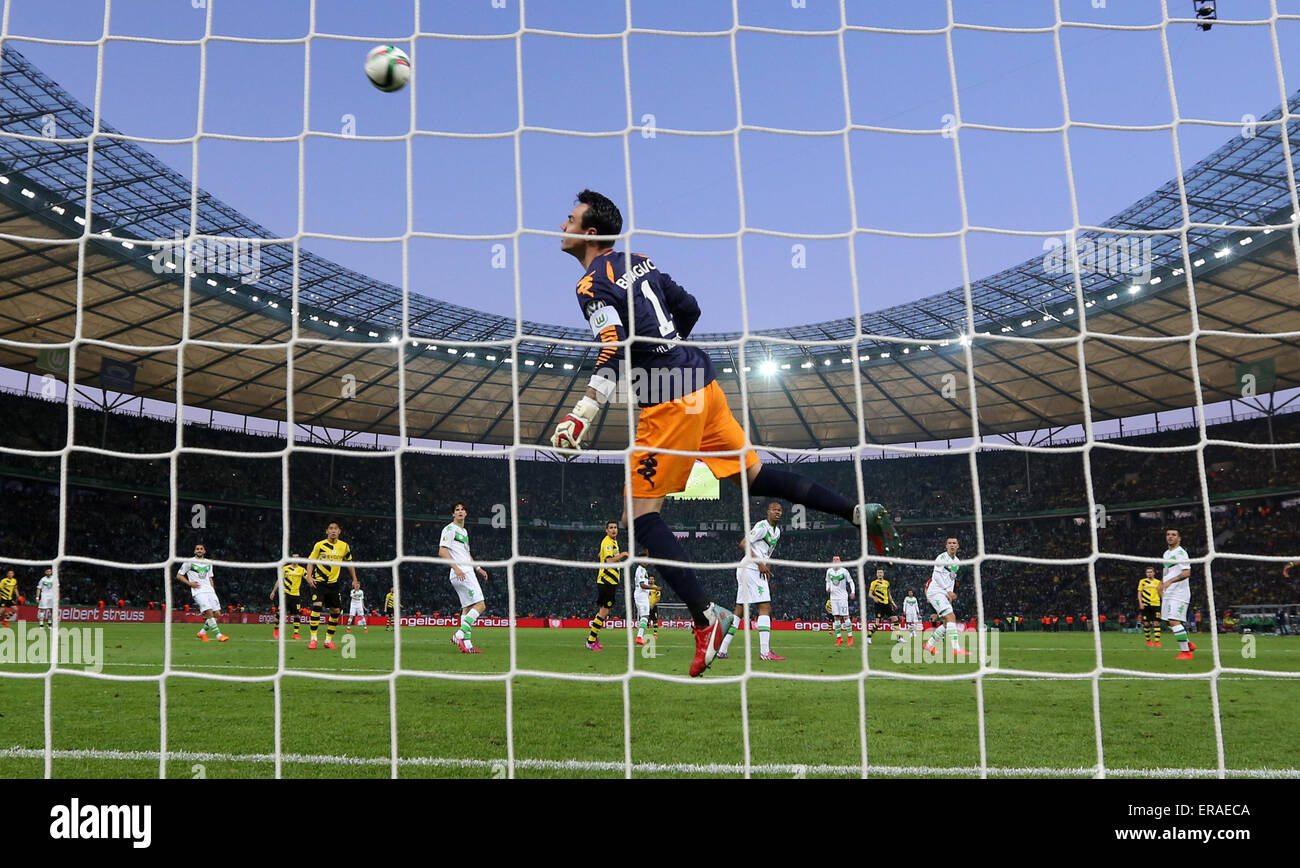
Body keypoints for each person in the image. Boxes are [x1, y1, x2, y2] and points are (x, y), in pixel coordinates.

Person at [552, 190, 899, 677]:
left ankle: (706, 618)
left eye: (569, 219)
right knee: (753, 476)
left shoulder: (590, 284)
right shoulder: (642, 261)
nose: (561, 225)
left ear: (590, 233)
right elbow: (689, 307)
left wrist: (581, 414)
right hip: (705, 382)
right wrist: (671, 354)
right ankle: (856, 511)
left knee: (639, 515)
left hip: (668, 397)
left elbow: (610, 347)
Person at [717, 501, 786, 661]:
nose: (778, 512)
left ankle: (722, 650)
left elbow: (767, 553)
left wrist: (766, 566)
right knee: (765, 607)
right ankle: (765, 652)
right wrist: (760, 564)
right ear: (768, 512)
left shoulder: (777, 531)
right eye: (775, 510)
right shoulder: (762, 526)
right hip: (751, 568)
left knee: (739, 611)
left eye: (780, 510)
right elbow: (743, 543)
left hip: (749, 569)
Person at [440, 503, 489, 654]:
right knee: (481, 605)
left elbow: (467, 555)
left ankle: (467, 646)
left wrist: (479, 568)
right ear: (453, 514)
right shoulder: (449, 529)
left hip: (464, 571)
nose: (460, 512)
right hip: (462, 572)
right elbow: (442, 551)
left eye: (462, 509)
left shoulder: (464, 531)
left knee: (467, 608)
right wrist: (456, 568)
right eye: (457, 510)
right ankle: (459, 635)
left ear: (466, 513)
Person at [305, 521, 357, 651]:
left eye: (336, 529)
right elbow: (310, 561)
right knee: (317, 605)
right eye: (330, 528)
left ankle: (328, 640)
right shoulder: (319, 545)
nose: (333, 531)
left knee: (336, 611)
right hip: (318, 582)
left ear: (339, 531)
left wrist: (355, 579)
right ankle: (313, 639)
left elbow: (349, 563)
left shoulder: (344, 546)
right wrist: (309, 576)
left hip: (333, 584)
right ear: (327, 531)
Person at [587, 520, 629, 651]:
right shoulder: (608, 542)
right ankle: (590, 640)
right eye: (611, 528)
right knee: (604, 611)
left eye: (615, 527)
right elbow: (609, 561)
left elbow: (601, 555)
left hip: (609, 581)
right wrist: (622, 555)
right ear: (606, 530)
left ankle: (593, 638)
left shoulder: (612, 542)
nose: (613, 530)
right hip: (606, 581)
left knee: (603, 611)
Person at [923, 537, 968, 657]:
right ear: (946, 546)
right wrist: (948, 591)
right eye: (949, 543)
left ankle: (929, 645)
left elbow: (951, 579)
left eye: (954, 543)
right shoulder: (941, 558)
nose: (952, 545)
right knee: (951, 617)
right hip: (936, 592)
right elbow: (936, 577)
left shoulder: (957, 561)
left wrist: (950, 594)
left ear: (958, 546)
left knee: (947, 623)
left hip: (944, 593)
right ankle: (956, 649)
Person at [177, 543, 229, 643]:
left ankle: (202, 633)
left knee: (216, 613)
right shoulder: (189, 562)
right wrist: (190, 583)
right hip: (198, 591)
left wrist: (213, 589)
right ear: (194, 551)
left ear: (204, 551)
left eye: (201, 549)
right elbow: (179, 575)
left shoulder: (209, 563)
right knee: (208, 612)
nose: (199, 550)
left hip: (210, 590)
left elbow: (210, 577)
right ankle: (219, 635)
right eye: (197, 549)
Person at [1159, 528, 1196, 661]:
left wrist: (1170, 581)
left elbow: (1187, 573)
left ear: (1179, 538)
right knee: (1169, 621)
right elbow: (1167, 570)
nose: (1170, 537)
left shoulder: (1181, 553)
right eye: (1168, 535)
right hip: (1169, 591)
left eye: (1174, 535)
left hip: (1179, 593)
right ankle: (1188, 643)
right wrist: (1161, 583)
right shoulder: (1166, 553)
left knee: (1174, 621)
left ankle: (1186, 652)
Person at [269, 553, 306, 640]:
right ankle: (276, 629)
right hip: (285, 594)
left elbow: (308, 578)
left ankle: (296, 634)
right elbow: (279, 580)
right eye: (294, 558)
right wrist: (273, 591)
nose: (295, 559)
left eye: (297, 558)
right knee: (280, 613)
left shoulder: (302, 570)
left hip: (296, 595)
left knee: (297, 615)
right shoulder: (285, 569)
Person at [825, 556, 856, 646]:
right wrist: (827, 588)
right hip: (833, 597)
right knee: (836, 618)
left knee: (845, 617)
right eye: (834, 559)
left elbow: (851, 581)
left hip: (842, 597)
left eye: (837, 559)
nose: (835, 561)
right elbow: (827, 581)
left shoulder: (844, 571)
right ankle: (839, 638)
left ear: (840, 561)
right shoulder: (829, 571)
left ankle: (850, 637)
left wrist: (853, 592)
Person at [633, 549, 660, 646]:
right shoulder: (640, 570)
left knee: (645, 617)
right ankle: (639, 637)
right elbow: (642, 585)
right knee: (645, 616)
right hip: (641, 596)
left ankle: (640, 637)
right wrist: (653, 587)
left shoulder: (643, 570)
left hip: (642, 596)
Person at [867, 567, 898, 643]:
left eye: (881, 572)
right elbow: (870, 594)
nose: (880, 574)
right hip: (879, 605)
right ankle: (869, 637)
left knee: (895, 619)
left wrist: (893, 603)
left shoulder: (887, 583)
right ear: (876, 574)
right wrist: (874, 597)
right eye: (878, 573)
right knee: (877, 623)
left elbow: (888, 594)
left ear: (883, 574)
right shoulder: (874, 583)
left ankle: (899, 638)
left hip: (887, 604)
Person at [1136, 566, 1161, 647]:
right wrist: (1140, 603)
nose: (1149, 573)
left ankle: (1157, 642)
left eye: (1151, 572)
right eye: (1148, 572)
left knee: (1156, 622)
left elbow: (1161, 593)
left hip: (1156, 604)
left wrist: (1164, 601)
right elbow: (1139, 592)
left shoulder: (1158, 582)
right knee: (1146, 623)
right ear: (1146, 573)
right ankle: (1149, 641)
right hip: (1146, 604)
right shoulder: (1142, 581)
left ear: (1154, 573)